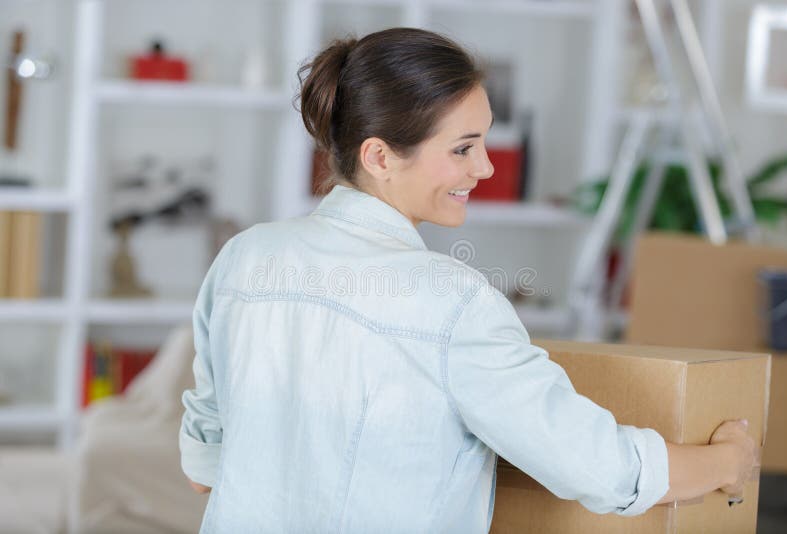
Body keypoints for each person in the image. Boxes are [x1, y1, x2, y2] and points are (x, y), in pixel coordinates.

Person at [179, 28, 757, 532]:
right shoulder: (453, 302)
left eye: (484, 142)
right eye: (463, 148)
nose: (484, 167)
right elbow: (597, 467)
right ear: (379, 157)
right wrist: (727, 462)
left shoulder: (244, 257)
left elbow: (203, 467)